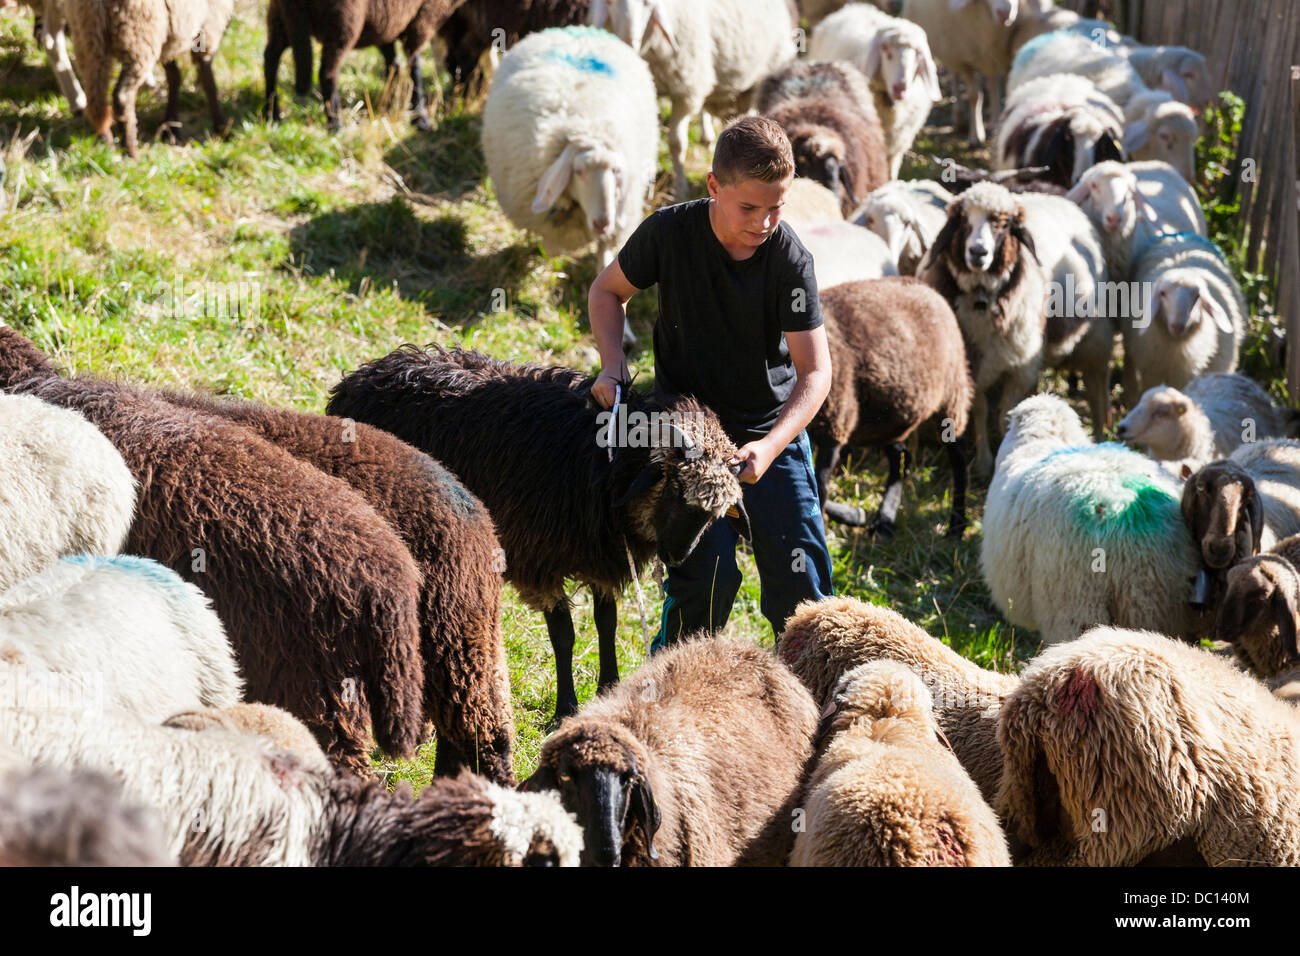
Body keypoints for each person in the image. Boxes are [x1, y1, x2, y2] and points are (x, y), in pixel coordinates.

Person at [586, 115, 834, 649]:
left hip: (769, 429)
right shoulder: (669, 233)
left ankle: (812, 703)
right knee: (706, 578)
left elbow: (815, 372)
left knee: (803, 587)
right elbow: (607, 292)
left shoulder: (789, 260)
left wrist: (769, 448)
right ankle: (670, 693)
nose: (765, 222)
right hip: (687, 429)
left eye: (777, 207)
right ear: (714, 187)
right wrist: (612, 363)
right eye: (750, 207)